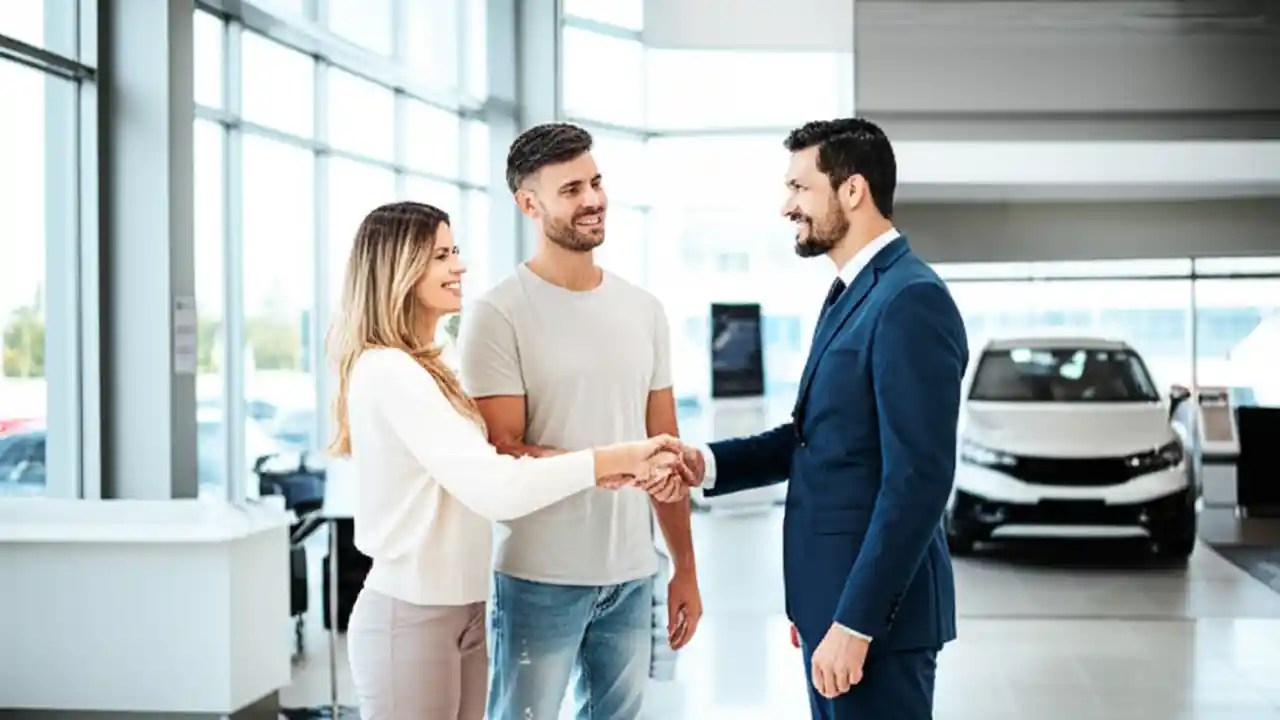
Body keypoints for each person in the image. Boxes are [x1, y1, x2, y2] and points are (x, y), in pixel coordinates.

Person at [326, 201, 692, 720]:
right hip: (410, 616)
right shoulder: (389, 371)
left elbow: (493, 460)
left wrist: (606, 468)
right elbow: (494, 488)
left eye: (455, 251)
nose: (459, 266)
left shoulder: (435, 365)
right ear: (398, 270)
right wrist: (609, 458)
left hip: (464, 609)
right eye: (439, 256)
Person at [680, 118, 968, 719]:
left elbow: (917, 481)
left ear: (853, 190)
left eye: (799, 188)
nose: (787, 206)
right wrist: (703, 463)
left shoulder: (911, 299)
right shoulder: (852, 292)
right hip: (832, 607)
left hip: (875, 628)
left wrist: (855, 622)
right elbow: (817, 440)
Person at [458, 123, 703, 720]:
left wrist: (683, 570)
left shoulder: (644, 310)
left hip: (631, 575)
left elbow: (664, 452)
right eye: (571, 189)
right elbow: (503, 453)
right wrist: (607, 465)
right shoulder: (497, 314)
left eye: (595, 182)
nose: (593, 199)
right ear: (529, 204)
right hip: (538, 578)